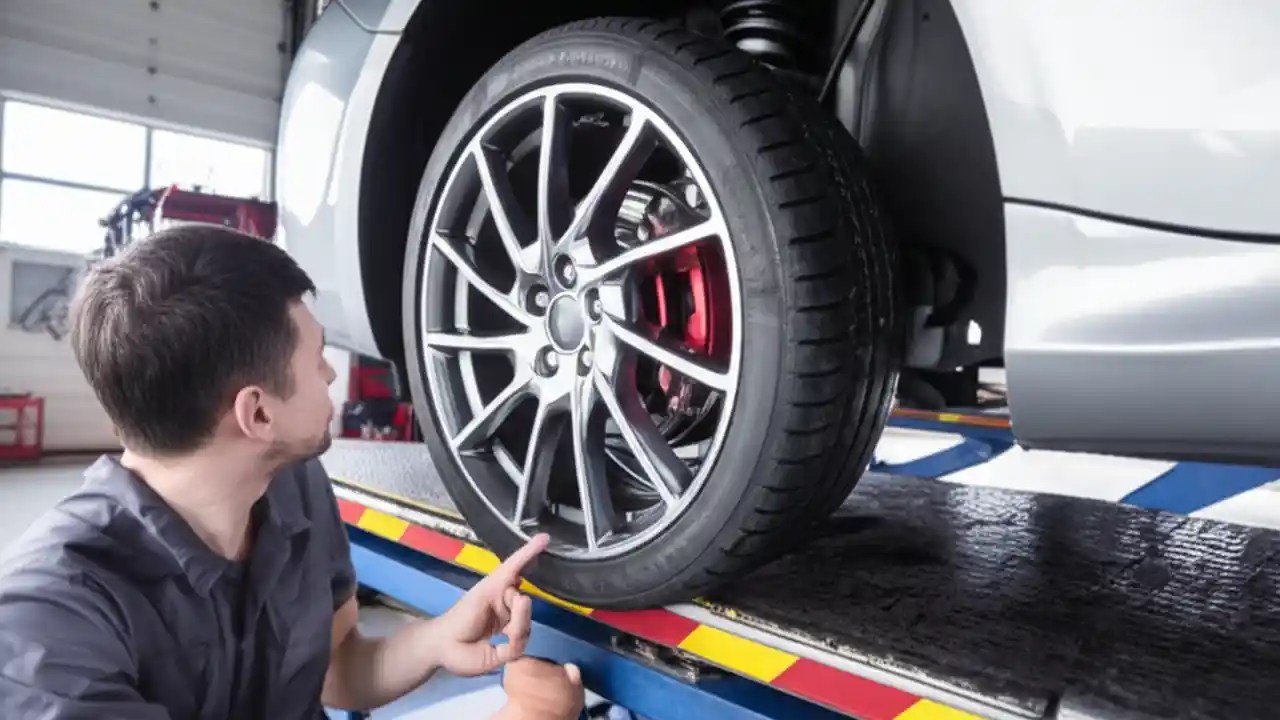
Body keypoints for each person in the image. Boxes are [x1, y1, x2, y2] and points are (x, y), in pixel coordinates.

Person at [0, 225, 585, 719]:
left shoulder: (290, 486)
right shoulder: (47, 629)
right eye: (316, 359)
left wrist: (437, 639)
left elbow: (338, 671)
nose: (332, 378)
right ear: (256, 412)